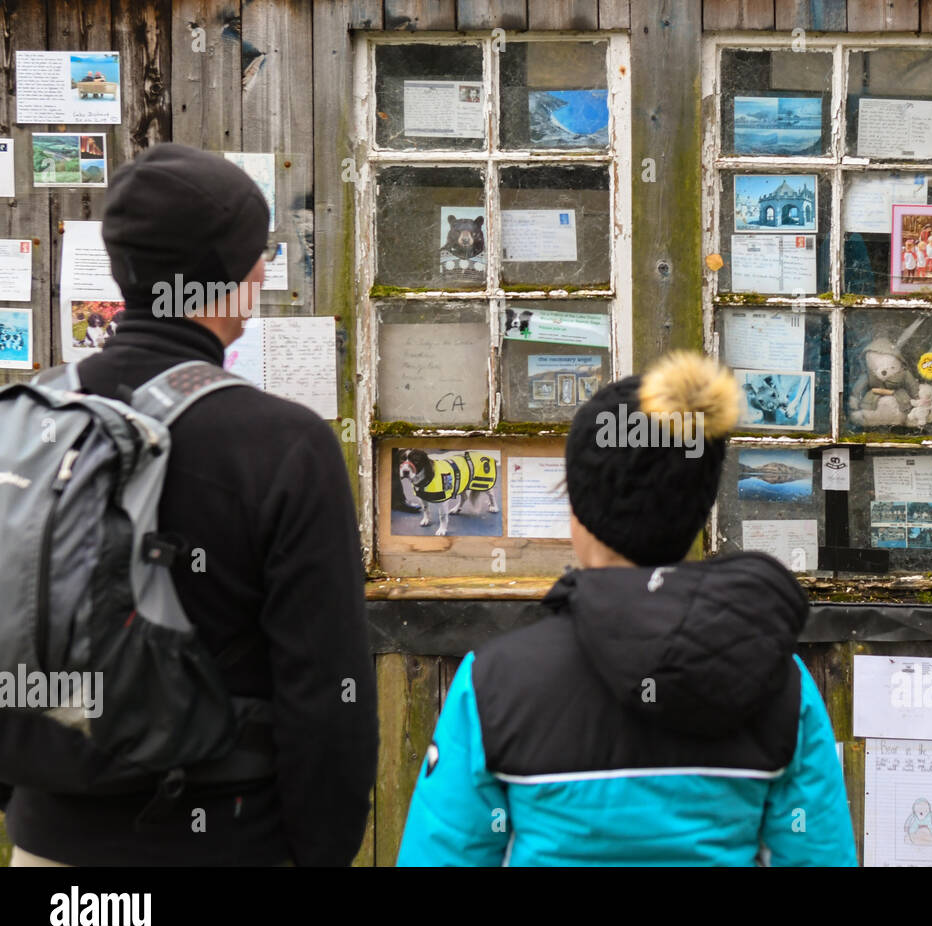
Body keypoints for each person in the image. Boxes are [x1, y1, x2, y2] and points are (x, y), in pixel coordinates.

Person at [2, 143, 377, 866]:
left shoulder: (27, 421)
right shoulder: (286, 445)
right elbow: (329, 700)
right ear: (236, 278)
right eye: (256, 252)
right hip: (226, 840)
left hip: (50, 849)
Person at [398, 351, 857, 866]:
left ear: (577, 510)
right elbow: (819, 854)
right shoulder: (779, 678)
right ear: (701, 510)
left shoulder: (493, 683)